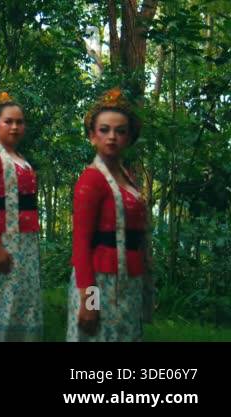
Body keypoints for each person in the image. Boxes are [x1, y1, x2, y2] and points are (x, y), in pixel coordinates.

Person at [67, 87, 152, 342]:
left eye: (120, 131)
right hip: (100, 282)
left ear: (129, 137)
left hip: (129, 281)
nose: (112, 137)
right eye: (104, 130)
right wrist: (89, 302)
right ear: (93, 136)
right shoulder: (91, 180)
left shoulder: (128, 178)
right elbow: (81, 245)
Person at [0, 92, 43, 342]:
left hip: (27, 241)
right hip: (4, 241)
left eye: (19, 122)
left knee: (27, 299)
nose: (15, 127)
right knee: (6, 301)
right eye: (8, 121)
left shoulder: (22, 161)